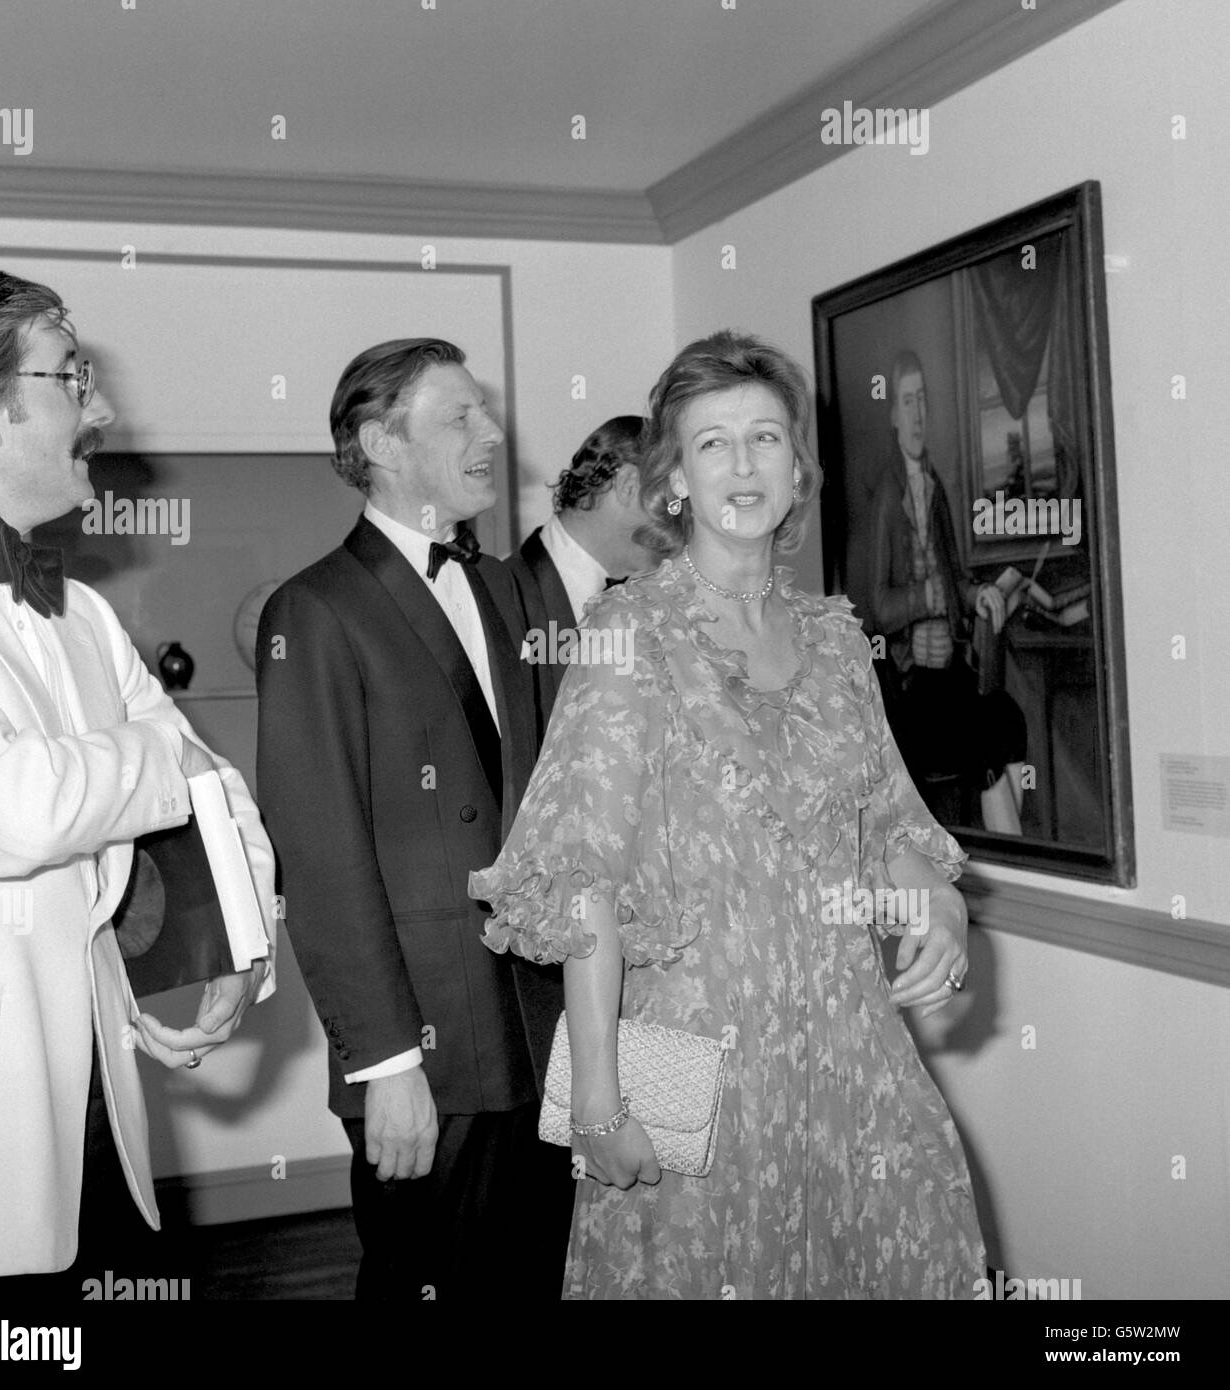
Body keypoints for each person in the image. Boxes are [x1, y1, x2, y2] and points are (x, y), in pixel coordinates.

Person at [471, 330, 986, 1299]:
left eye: (764, 439)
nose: (743, 465)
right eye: (713, 444)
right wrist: (596, 1098)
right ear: (674, 480)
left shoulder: (838, 643)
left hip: (845, 1051)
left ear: (797, 470)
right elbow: (585, 883)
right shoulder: (629, 634)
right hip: (687, 1054)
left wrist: (944, 908)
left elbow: (889, 827)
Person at [0, 270, 274, 1290]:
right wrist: (163, 755)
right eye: (73, 378)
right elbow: (14, 812)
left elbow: (216, 795)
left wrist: (234, 945)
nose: (106, 409)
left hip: (101, 1107)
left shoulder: (80, 611)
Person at [255, 338, 569, 1302]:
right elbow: (321, 860)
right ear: (381, 443)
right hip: (428, 1045)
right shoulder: (313, 610)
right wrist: (386, 1063)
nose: (493, 432)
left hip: (539, 1026)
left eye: (486, 411)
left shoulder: (505, 588)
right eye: (460, 416)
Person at [867, 350, 1027, 833]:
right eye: (907, 402)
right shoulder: (886, 496)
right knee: (986, 743)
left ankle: (1011, 851)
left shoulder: (935, 486)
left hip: (951, 677)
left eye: (922, 400)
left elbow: (953, 577)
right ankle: (1008, 856)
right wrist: (928, 598)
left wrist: (977, 594)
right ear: (894, 416)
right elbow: (878, 607)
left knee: (1010, 721)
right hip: (912, 695)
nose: (918, 414)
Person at [507, 416, 658, 724]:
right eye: (672, 504)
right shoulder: (504, 598)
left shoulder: (650, 601)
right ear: (629, 485)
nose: (682, 526)